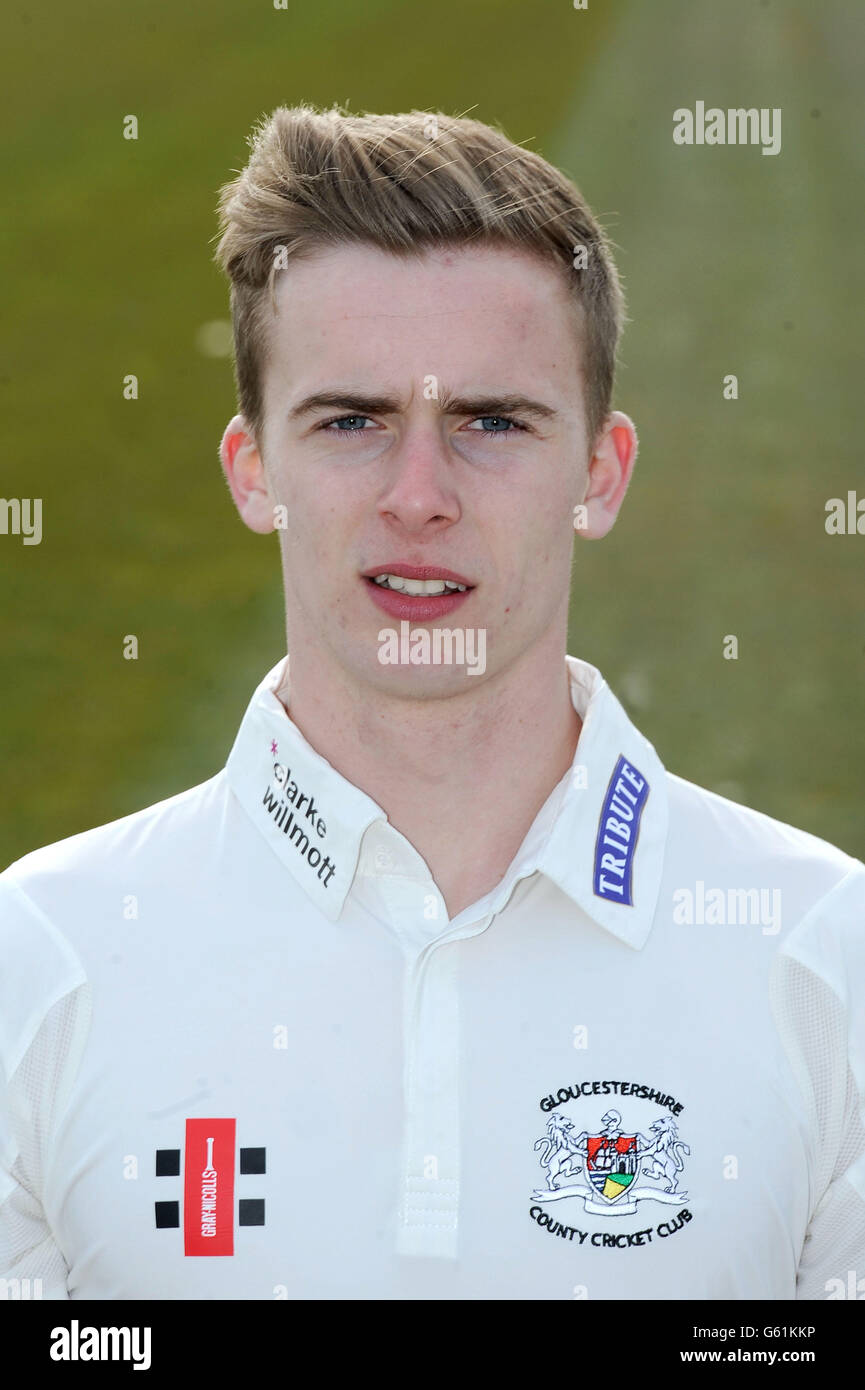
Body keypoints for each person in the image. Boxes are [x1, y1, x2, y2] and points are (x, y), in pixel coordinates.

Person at [1, 104, 862, 1302]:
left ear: (599, 475)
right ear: (255, 471)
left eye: (490, 422)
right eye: (351, 420)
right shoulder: (37, 958)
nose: (420, 494)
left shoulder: (826, 953)